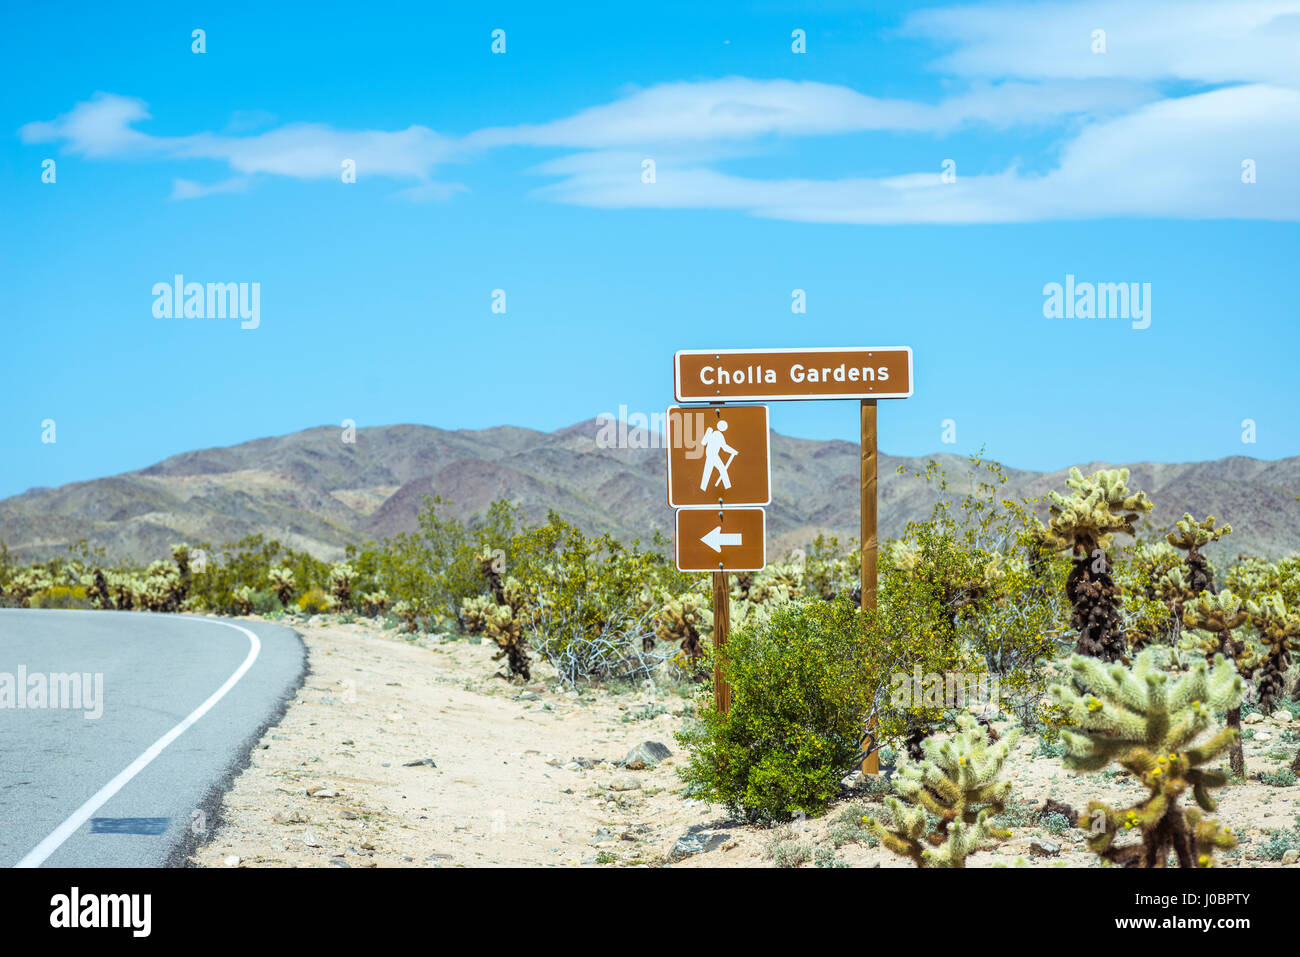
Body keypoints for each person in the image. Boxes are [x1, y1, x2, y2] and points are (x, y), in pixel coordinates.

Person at [698, 419, 738, 491]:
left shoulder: (713, 433)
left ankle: (703, 488)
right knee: (722, 470)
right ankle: (728, 487)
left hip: (710, 455)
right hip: (713, 455)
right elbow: (724, 447)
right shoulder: (719, 435)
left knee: (708, 472)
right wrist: (733, 451)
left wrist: (733, 451)